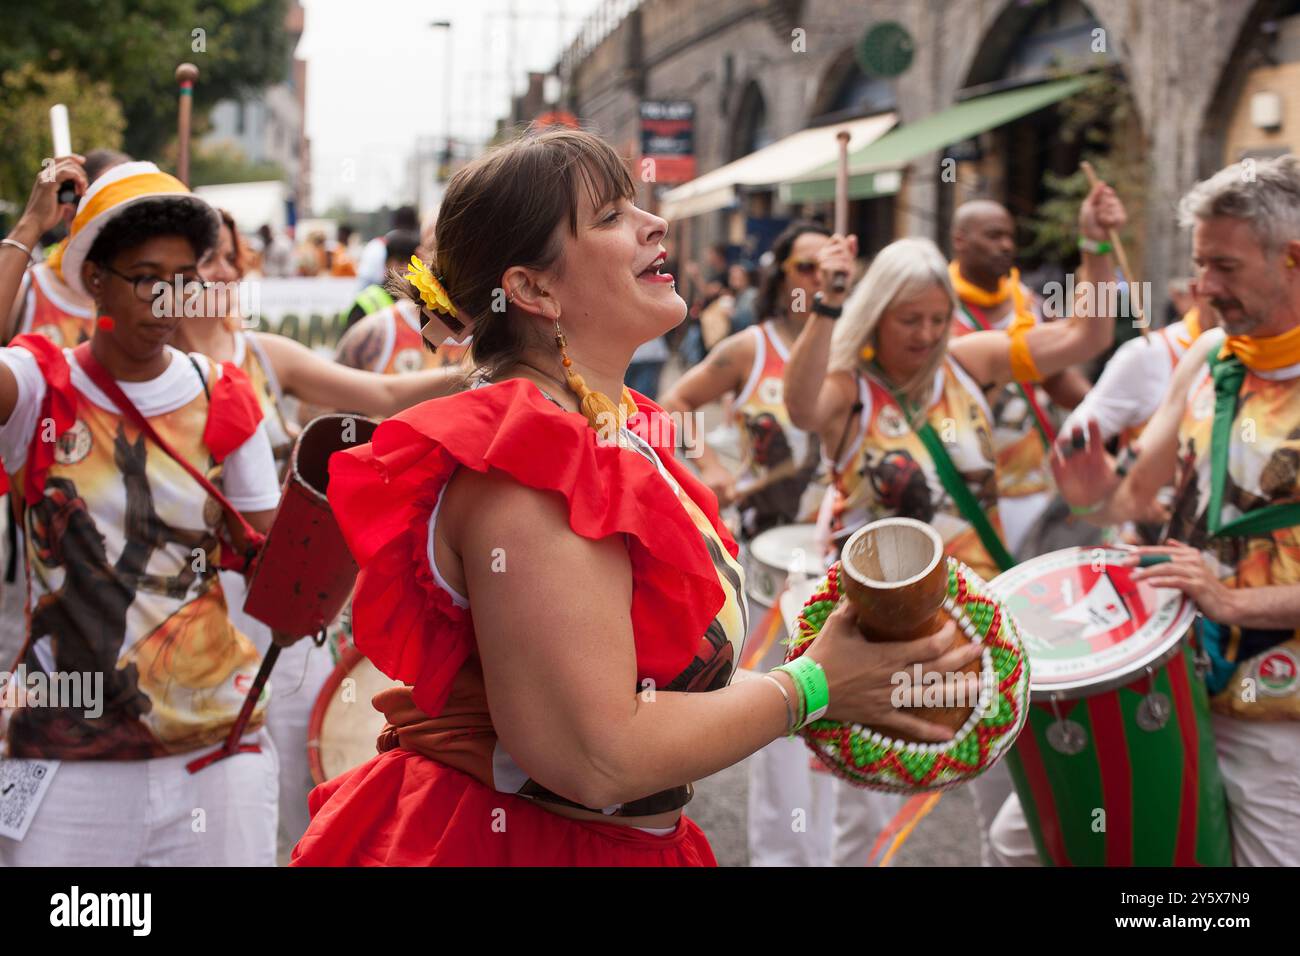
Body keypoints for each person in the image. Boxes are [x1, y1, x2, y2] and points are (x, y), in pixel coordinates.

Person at [290, 127, 978, 867]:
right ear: (531, 288)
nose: (658, 224)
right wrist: (810, 687)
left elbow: (654, 686)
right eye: (612, 216)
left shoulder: (616, 427)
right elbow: (598, 754)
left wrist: (846, 680)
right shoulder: (527, 468)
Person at [783, 184, 1125, 867]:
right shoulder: (849, 390)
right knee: (866, 814)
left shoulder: (972, 363)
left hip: (976, 627)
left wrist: (1093, 248)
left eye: (940, 318)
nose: (929, 335)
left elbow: (1087, 335)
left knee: (1003, 799)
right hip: (878, 632)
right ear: (876, 316)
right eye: (910, 319)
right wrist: (825, 303)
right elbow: (797, 408)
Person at [0, 158, 282, 866]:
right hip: (65, 750)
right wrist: (30, 228)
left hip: (215, 752)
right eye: (146, 278)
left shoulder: (227, 397)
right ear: (95, 280)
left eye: (183, 280)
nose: (166, 301)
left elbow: (277, 566)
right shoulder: (40, 385)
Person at [1029, 155, 1300, 867]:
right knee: (1043, 847)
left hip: (1279, 711)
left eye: (1225, 267)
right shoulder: (1210, 355)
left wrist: (1232, 603)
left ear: (1294, 258)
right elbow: (1130, 500)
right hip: (1166, 672)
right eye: (1198, 264)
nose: (1202, 287)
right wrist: (1087, 490)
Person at [659, 220, 836, 866]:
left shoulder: (853, 348)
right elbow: (676, 400)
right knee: (785, 710)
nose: (818, 282)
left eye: (831, 269)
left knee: (844, 709)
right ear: (781, 277)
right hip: (765, 563)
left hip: (839, 554)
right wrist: (708, 467)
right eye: (806, 269)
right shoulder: (749, 349)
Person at [947, 199, 1094, 557]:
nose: (1007, 246)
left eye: (1010, 237)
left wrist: (1108, 411)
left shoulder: (1027, 305)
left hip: (1031, 488)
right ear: (960, 241)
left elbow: (1057, 380)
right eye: (994, 236)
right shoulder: (936, 310)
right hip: (962, 493)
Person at [2, 149, 133, 348]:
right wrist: (33, 222)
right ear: (70, 215)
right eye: (110, 206)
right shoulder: (25, 290)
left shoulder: (151, 302)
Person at [334, 229, 467, 373]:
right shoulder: (373, 317)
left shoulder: (472, 324)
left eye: (408, 262)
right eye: (398, 261)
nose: (404, 269)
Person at [355, 205, 419, 290]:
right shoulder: (418, 246)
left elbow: (362, 284)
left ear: (393, 222)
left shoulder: (375, 246)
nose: (405, 268)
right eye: (400, 261)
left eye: (408, 262)